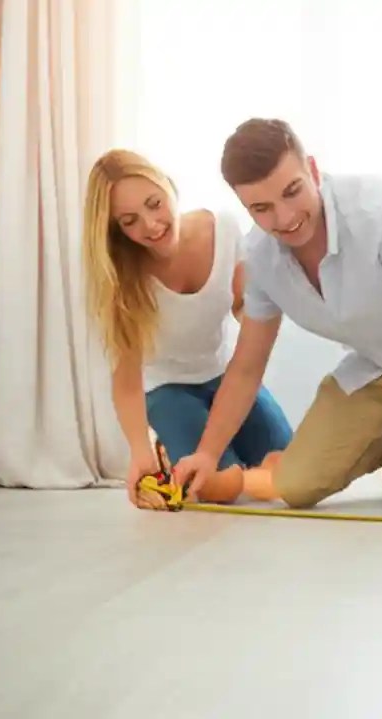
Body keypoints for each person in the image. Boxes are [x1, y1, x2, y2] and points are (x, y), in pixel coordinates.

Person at [173, 119, 382, 522]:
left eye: (292, 191)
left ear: (312, 170)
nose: (284, 218)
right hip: (380, 364)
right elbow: (246, 368)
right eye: (261, 208)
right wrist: (207, 454)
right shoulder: (260, 256)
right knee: (295, 486)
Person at [82, 148, 293, 510]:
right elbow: (128, 379)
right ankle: (185, 458)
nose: (150, 225)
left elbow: (245, 307)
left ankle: (231, 466)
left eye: (154, 203)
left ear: (169, 187)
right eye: (129, 220)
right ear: (115, 229)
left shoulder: (223, 229)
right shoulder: (123, 276)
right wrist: (141, 455)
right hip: (167, 391)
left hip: (223, 379)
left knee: (292, 466)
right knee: (218, 488)